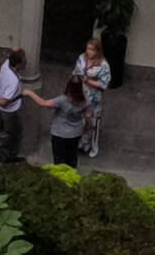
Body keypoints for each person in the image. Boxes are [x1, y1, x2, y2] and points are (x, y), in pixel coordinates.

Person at [28, 73, 89, 166]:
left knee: (59, 158)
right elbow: (87, 114)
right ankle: (71, 176)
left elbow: (43, 103)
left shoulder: (62, 100)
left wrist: (30, 93)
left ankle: (60, 177)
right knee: (72, 156)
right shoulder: (85, 99)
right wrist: (86, 127)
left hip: (59, 133)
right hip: (76, 132)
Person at [75, 30, 114, 161]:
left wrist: (89, 81)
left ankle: (93, 146)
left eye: (92, 49)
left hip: (94, 99)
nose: (89, 51)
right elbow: (76, 73)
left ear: (97, 51)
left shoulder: (103, 65)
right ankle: (81, 143)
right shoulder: (81, 58)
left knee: (93, 122)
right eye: (88, 48)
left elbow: (104, 84)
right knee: (80, 120)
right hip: (81, 95)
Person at [0, 47, 28, 165]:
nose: (25, 65)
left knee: (14, 132)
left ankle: (5, 155)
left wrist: (19, 50)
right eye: (24, 63)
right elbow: (3, 102)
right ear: (17, 64)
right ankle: (0, 159)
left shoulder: (5, 65)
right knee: (8, 134)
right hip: (8, 111)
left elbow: (14, 50)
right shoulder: (13, 82)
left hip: (7, 109)